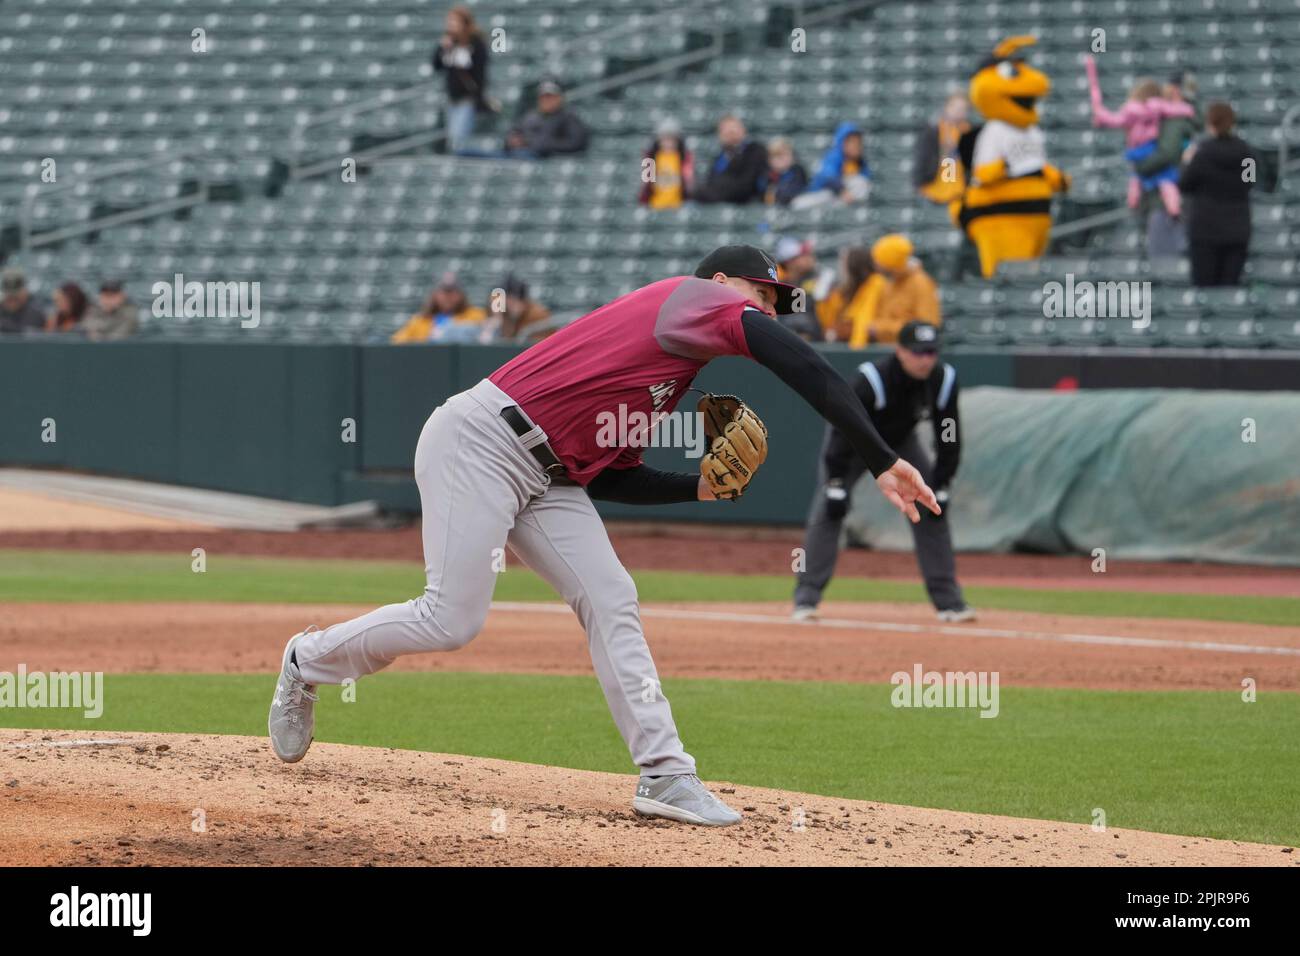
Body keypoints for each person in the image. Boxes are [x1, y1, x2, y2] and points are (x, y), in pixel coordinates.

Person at [269, 244, 940, 827]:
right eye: (761, 292)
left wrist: (700, 488)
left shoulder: (666, 374)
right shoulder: (694, 297)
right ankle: (306, 660)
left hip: (550, 475)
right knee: (451, 618)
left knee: (612, 596)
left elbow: (612, 475)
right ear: (721, 283)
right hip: (480, 442)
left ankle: (665, 774)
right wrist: (881, 458)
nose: (767, 306)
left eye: (776, 299)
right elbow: (805, 367)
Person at [794, 320, 973, 624]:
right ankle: (806, 598)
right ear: (900, 351)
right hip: (855, 442)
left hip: (900, 444)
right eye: (918, 352)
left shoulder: (943, 380)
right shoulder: (872, 378)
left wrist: (943, 481)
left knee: (931, 504)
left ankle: (950, 603)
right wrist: (835, 481)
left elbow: (949, 434)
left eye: (931, 352)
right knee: (829, 509)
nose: (925, 359)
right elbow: (841, 425)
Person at [1085, 56, 1197, 219]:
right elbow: (1177, 110)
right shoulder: (1157, 106)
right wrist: (1189, 110)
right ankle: (1174, 207)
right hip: (1151, 146)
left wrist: (1100, 115)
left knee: (1136, 177)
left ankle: (1133, 201)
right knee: (1165, 179)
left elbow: (1114, 120)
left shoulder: (1130, 109)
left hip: (1136, 149)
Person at [1179, 101, 1257, 287]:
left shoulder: (1201, 154)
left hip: (1204, 231)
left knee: (1205, 291)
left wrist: (1186, 162)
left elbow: (1185, 185)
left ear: (1210, 124)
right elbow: (1250, 182)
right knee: (1229, 291)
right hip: (1237, 230)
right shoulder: (1247, 153)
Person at [1131, 71, 1199, 260]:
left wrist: (1140, 166)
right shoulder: (1160, 121)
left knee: (1165, 261)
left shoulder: (1172, 121)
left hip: (1167, 202)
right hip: (1160, 199)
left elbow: (1167, 153)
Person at [846, 234, 941, 348]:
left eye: (879, 262)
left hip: (912, 351)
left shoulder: (921, 283)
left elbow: (927, 326)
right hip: (887, 348)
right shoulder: (888, 283)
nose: (876, 265)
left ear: (889, 265)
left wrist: (881, 329)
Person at [433, 5, 490, 153]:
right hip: (452, 99)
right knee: (453, 140)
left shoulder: (475, 43)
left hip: (467, 99)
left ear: (464, 23)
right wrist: (442, 48)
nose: (450, 25)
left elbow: (480, 73)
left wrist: (479, 98)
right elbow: (437, 66)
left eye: (454, 21)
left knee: (459, 139)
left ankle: (460, 163)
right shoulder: (449, 42)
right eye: (449, 21)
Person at [391, 272, 487, 343]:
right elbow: (397, 342)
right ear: (435, 294)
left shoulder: (476, 316)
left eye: (453, 292)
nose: (448, 297)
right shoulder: (420, 320)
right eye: (444, 292)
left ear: (461, 295)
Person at [504, 78, 589, 158]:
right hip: (521, 153)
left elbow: (576, 143)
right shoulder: (530, 117)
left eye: (550, 97)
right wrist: (512, 141)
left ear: (559, 98)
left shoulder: (569, 117)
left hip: (546, 158)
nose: (546, 100)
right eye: (543, 97)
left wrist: (546, 145)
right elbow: (514, 133)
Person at [793, 122, 870, 208]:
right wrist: (842, 190)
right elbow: (828, 178)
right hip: (821, 194)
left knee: (861, 182)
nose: (856, 146)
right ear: (842, 143)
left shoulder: (860, 162)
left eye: (858, 142)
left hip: (839, 199)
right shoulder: (834, 157)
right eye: (852, 142)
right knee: (799, 203)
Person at [694, 115, 767, 205]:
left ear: (743, 131)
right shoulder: (720, 157)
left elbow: (746, 186)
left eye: (733, 131)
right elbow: (711, 182)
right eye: (726, 133)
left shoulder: (754, 151)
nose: (731, 136)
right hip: (719, 203)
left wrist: (719, 189)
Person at [914, 92, 970, 204]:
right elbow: (923, 158)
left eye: (963, 109)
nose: (959, 111)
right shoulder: (933, 130)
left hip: (959, 192)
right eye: (956, 107)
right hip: (933, 191)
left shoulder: (968, 132)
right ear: (947, 107)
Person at [816, 246, 875, 345]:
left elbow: (861, 321)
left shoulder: (873, 284)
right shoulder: (843, 291)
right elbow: (828, 323)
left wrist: (837, 332)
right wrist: (824, 301)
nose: (841, 267)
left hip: (865, 345)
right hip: (846, 344)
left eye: (843, 262)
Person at [638, 118, 694, 209]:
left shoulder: (683, 157)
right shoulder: (651, 158)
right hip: (655, 205)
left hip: (678, 206)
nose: (668, 142)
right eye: (665, 138)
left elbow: (689, 182)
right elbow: (646, 184)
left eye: (671, 139)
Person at [480, 275, 551, 342]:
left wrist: (514, 317)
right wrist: (497, 317)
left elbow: (537, 344)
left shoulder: (537, 314)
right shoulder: (499, 308)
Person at [761, 137, 808, 206]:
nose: (784, 159)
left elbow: (791, 191)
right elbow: (761, 192)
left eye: (787, 154)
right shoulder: (766, 174)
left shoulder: (798, 171)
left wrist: (775, 191)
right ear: (770, 159)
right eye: (779, 156)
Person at [0, 267, 48, 334]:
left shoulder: (35, 312)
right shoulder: (2, 308)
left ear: (25, 292)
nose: (12, 300)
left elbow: (29, 334)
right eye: (9, 297)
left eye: (15, 297)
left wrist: (4, 325)